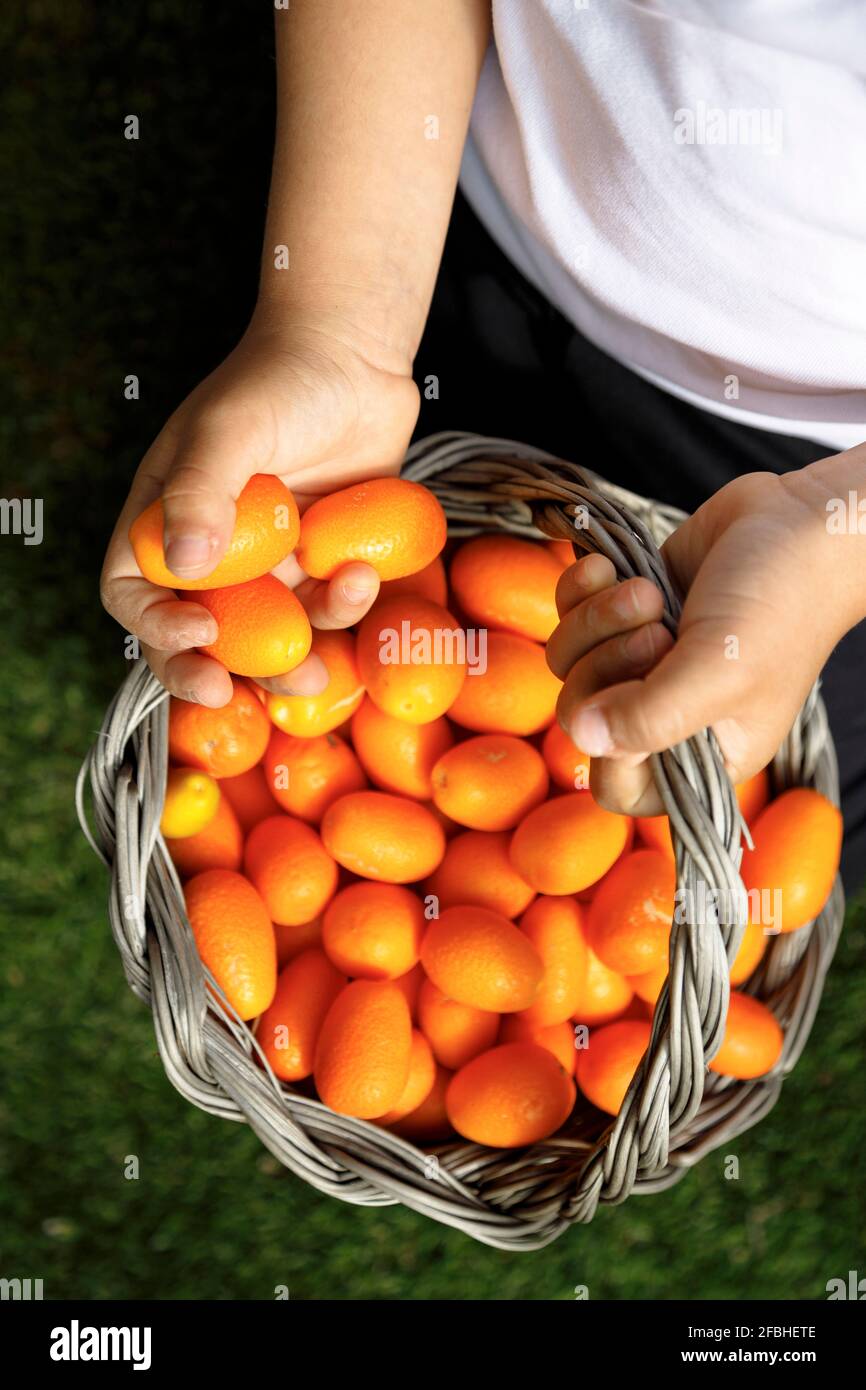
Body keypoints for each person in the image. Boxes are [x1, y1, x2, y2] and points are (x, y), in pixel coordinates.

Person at [100, 2, 866, 893]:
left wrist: (838, 532)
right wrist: (338, 325)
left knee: (799, 797)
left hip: (811, 441)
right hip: (455, 182)